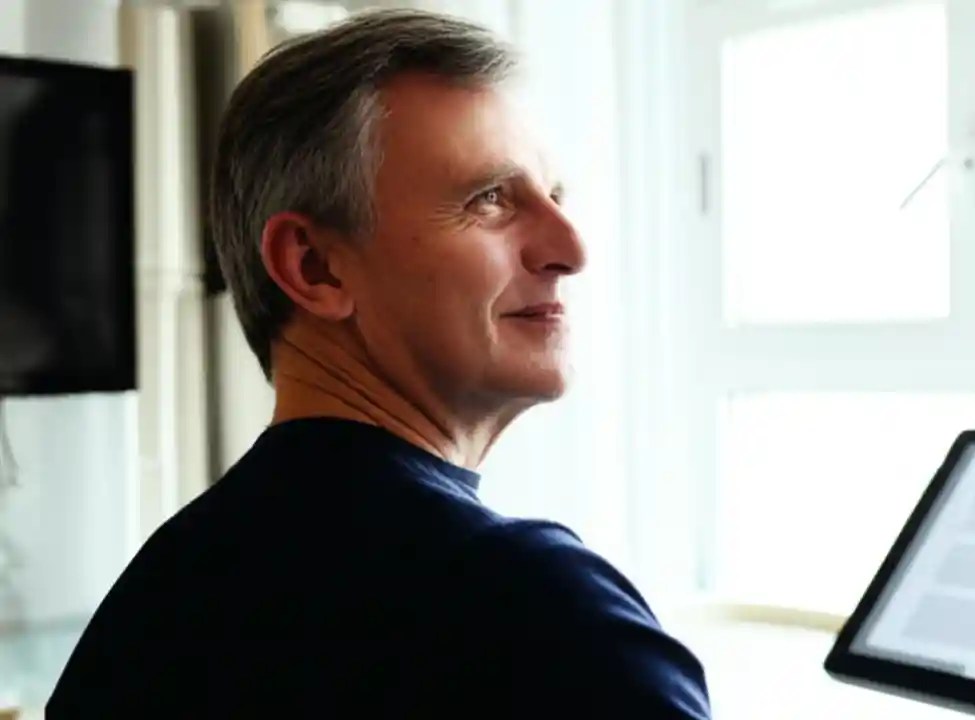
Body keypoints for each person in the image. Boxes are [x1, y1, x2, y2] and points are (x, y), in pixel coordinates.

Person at [48, 9, 711, 718]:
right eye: (489, 199)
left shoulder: (158, 593)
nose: (570, 247)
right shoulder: (532, 606)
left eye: (554, 196)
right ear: (315, 266)